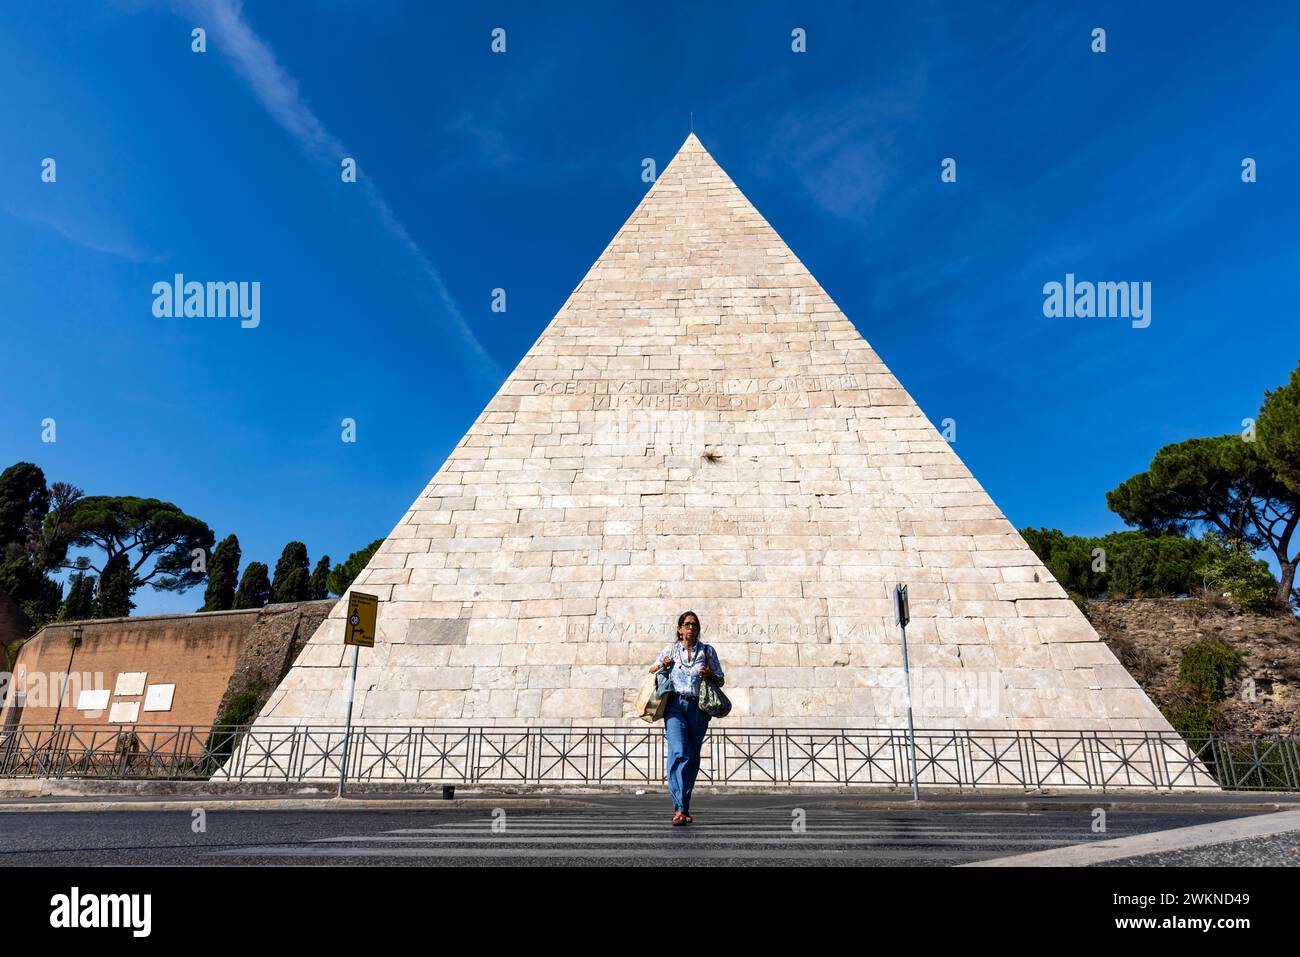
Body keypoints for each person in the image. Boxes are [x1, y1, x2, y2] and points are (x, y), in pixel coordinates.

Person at [648, 610, 725, 826]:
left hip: (698, 708)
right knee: (679, 752)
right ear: (680, 629)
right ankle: (679, 808)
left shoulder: (707, 651)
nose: (691, 628)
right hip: (675, 706)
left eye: (694, 625)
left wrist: (710, 675)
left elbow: (720, 680)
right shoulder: (671, 650)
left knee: (691, 757)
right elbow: (651, 669)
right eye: (687, 624)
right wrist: (663, 663)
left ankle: (684, 805)